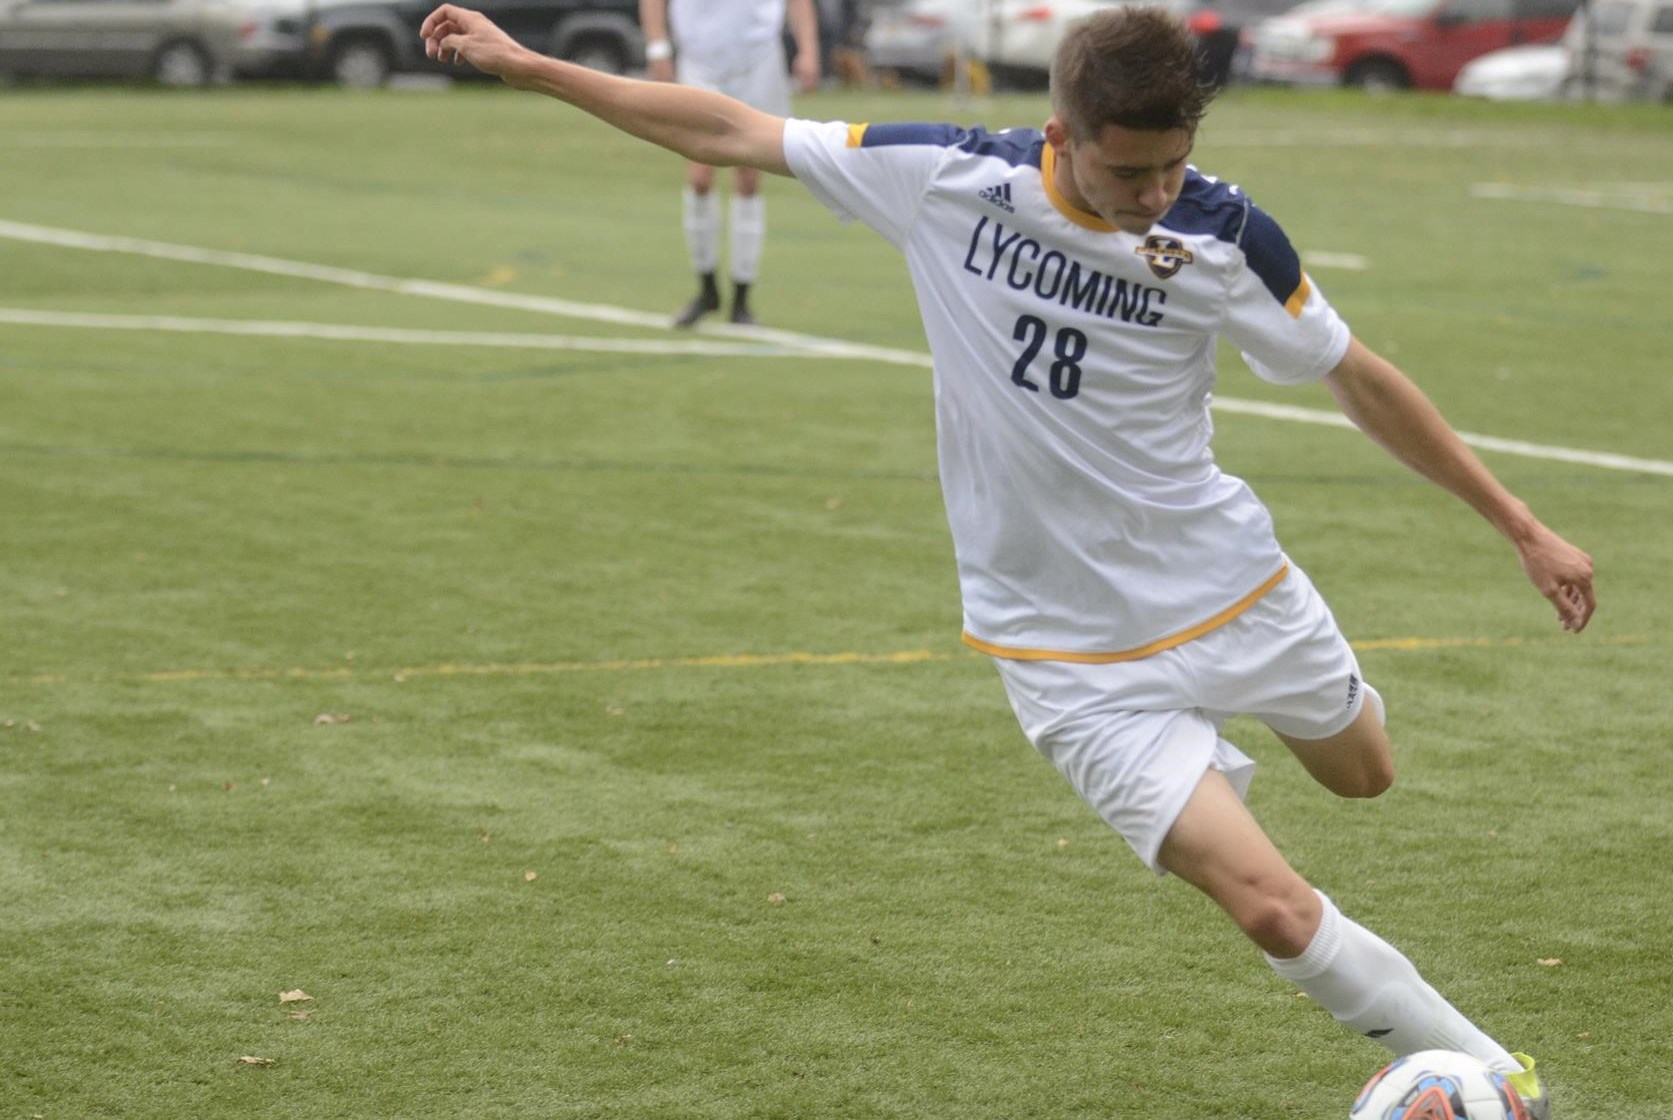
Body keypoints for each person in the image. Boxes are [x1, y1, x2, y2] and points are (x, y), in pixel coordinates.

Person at [418, 6, 1596, 1115]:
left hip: (1228, 586)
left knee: (1363, 774)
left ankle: (1312, 732)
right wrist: (531, 67)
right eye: (1125, 171)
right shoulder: (944, 178)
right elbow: (729, 126)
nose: (1151, 195)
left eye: (1169, 168)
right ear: (1059, 136)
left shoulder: (1222, 234)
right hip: (1063, 649)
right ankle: (1498, 1077)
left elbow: (1356, 375)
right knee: (1272, 910)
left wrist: (1520, 525)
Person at [637, 0, 819, 326]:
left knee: (749, 176)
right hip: (700, 57)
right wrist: (657, 48)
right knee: (699, 176)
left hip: (758, 55)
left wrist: (808, 48)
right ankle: (707, 289)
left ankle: (741, 299)